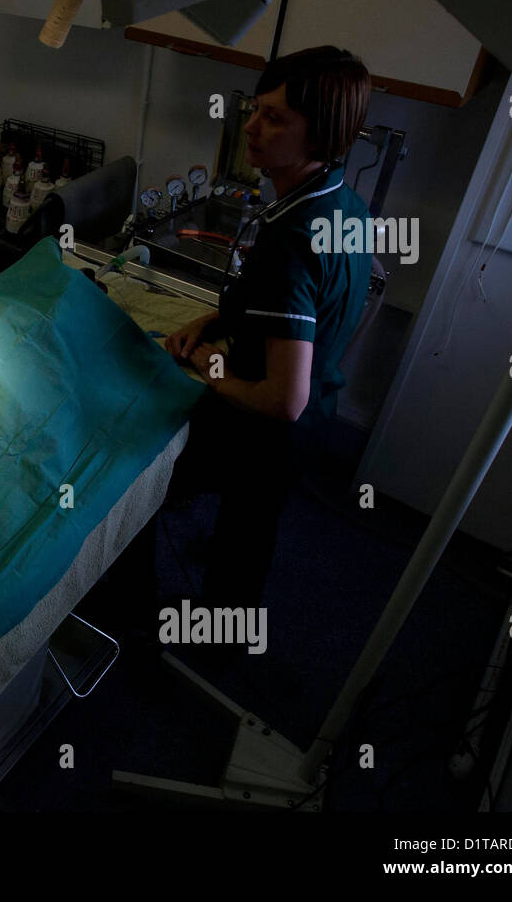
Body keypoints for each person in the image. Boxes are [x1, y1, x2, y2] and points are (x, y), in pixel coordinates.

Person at [162, 45, 374, 610]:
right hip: (317, 416)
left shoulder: (291, 238)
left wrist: (206, 365)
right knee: (250, 526)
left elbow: (284, 400)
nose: (250, 126)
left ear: (321, 134)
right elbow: (310, 301)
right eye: (255, 109)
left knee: (233, 534)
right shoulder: (343, 202)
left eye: (274, 118)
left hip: (271, 430)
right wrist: (215, 318)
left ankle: (214, 643)